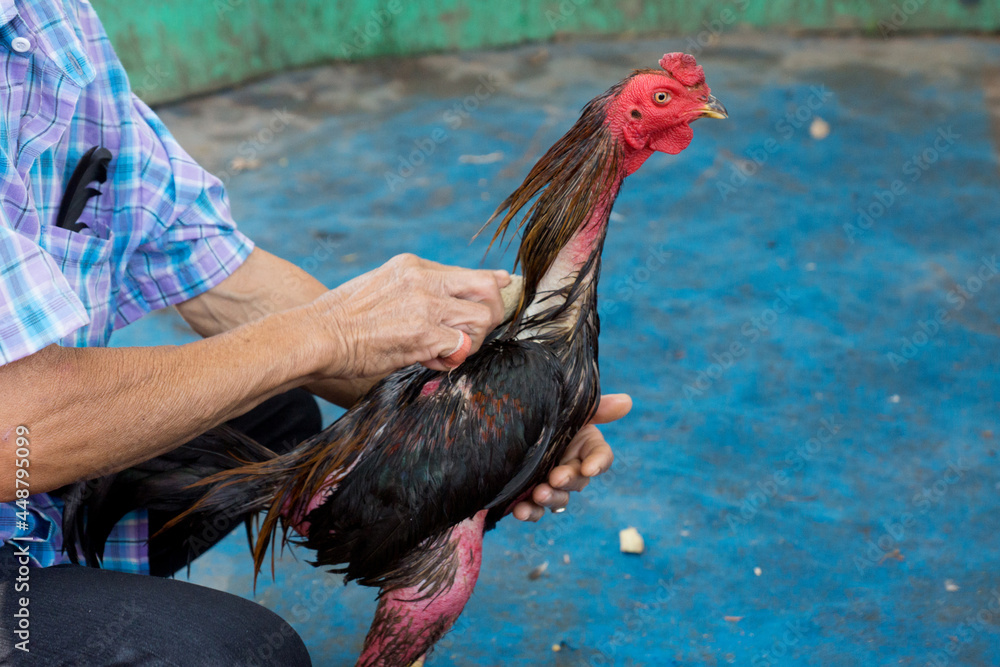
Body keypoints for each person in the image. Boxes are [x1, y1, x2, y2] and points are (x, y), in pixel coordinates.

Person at [0, 0, 631, 664]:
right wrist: (325, 331)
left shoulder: (48, 21)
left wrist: (508, 418)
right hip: (20, 447)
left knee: (275, 409)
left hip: (30, 494)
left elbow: (209, 263)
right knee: (244, 655)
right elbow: (16, 430)